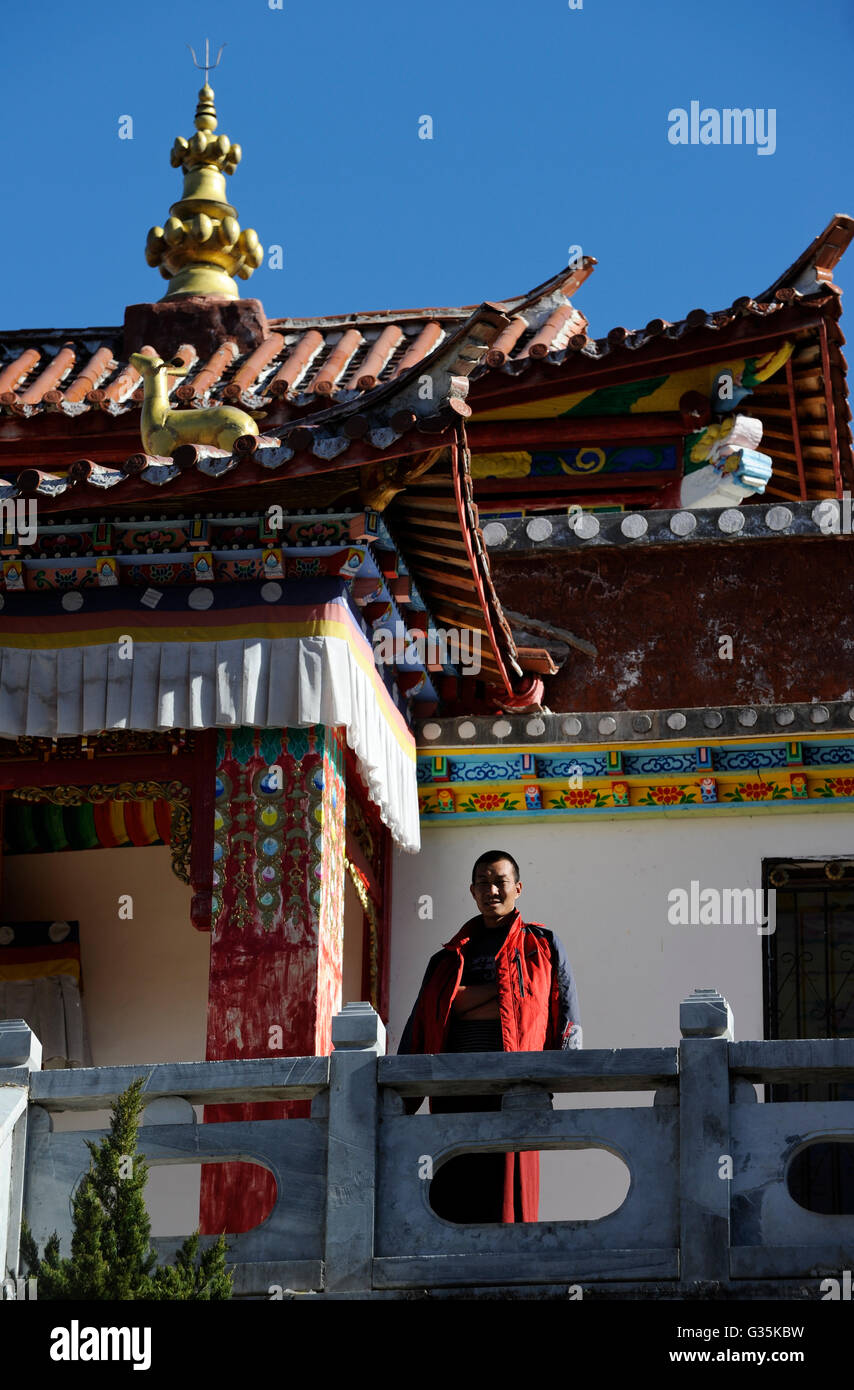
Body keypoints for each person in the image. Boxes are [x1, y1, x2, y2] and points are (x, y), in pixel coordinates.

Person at [398, 850, 581, 1224]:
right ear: (472, 891)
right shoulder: (448, 958)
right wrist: (399, 1099)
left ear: (518, 888)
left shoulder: (542, 947)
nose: (492, 890)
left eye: (500, 881)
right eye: (483, 882)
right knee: (453, 1200)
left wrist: (556, 1081)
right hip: (454, 1092)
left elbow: (566, 1018)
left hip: (514, 1091)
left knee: (508, 1203)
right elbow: (422, 1025)